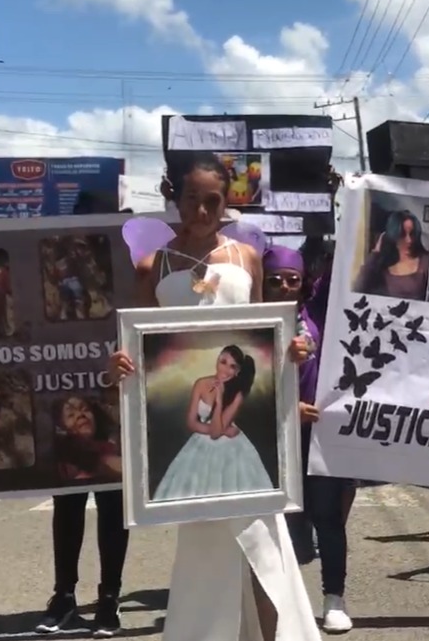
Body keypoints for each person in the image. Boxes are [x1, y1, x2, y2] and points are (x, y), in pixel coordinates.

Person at [108, 152, 319, 641]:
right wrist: (115, 365)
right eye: (190, 200)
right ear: (174, 198)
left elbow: (264, 339)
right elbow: (137, 346)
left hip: (251, 434)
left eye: (212, 201)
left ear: (226, 203)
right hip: (193, 435)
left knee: (265, 544)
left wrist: (293, 349)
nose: (201, 212)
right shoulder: (151, 265)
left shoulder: (246, 259)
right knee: (205, 547)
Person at [266, 245, 356, 633]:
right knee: (277, 525)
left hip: (317, 435)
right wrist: (287, 408)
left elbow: (340, 274)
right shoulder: (245, 320)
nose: (285, 286)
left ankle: (333, 598)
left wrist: (350, 201)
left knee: (328, 517)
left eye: (293, 279)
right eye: (274, 280)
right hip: (270, 437)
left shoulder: (316, 313)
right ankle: (280, 604)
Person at [36, 394, 129, 638]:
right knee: (67, 514)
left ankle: (109, 598)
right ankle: (64, 596)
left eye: (84, 409)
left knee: (113, 512)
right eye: (71, 413)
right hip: (69, 473)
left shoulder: (112, 447)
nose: (80, 415)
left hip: (112, 470)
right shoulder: (63, 458)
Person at [151, 345, 274, 501]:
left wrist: (219, 399)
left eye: (232, 367)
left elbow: (216, 434)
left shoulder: (238, 394)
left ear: (237, 372)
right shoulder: (200, 384)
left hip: (231, 449)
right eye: (223, 362)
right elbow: (192, 422)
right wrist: (219, 430)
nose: (225, 369)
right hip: (201, 442)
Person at [353, 209, 429, 300]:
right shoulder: (383, 267)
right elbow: (358, 290)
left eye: (412, 234)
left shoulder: (426, 261)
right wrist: (376, 252)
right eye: (402, 235)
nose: (409, 240)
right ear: (393, 236)